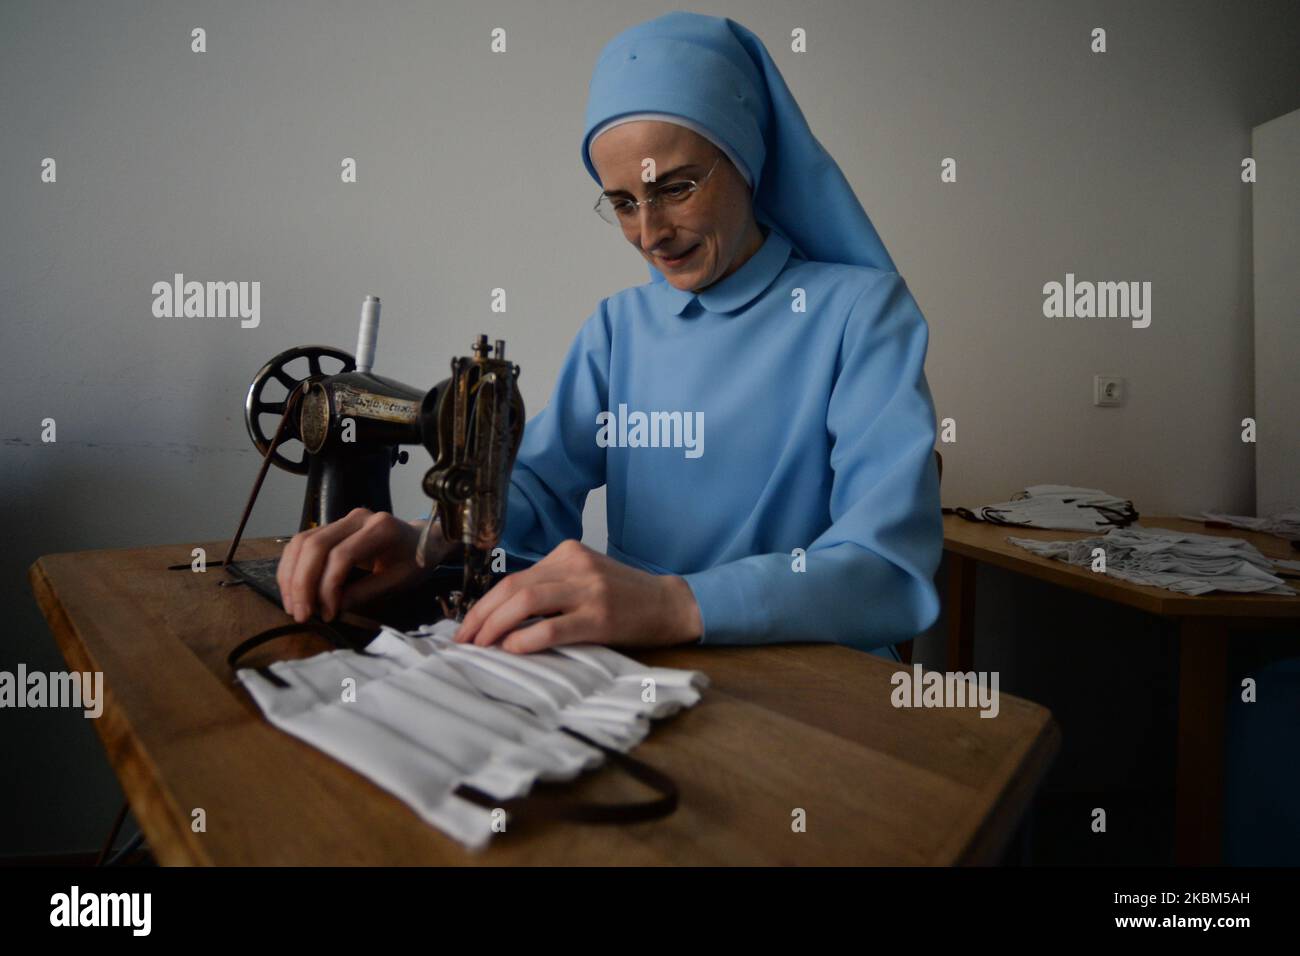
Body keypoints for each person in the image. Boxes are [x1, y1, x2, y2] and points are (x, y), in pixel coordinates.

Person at [276, 12, 943, 658]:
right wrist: (432, 543)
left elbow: (885, 570)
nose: (650, 234)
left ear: (749, 159)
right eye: (623, 202)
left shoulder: (861, 315)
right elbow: (534, 492)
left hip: (818, 691)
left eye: (675, 188)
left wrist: (675, 605)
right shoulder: (618, 329)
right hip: (635, 679)